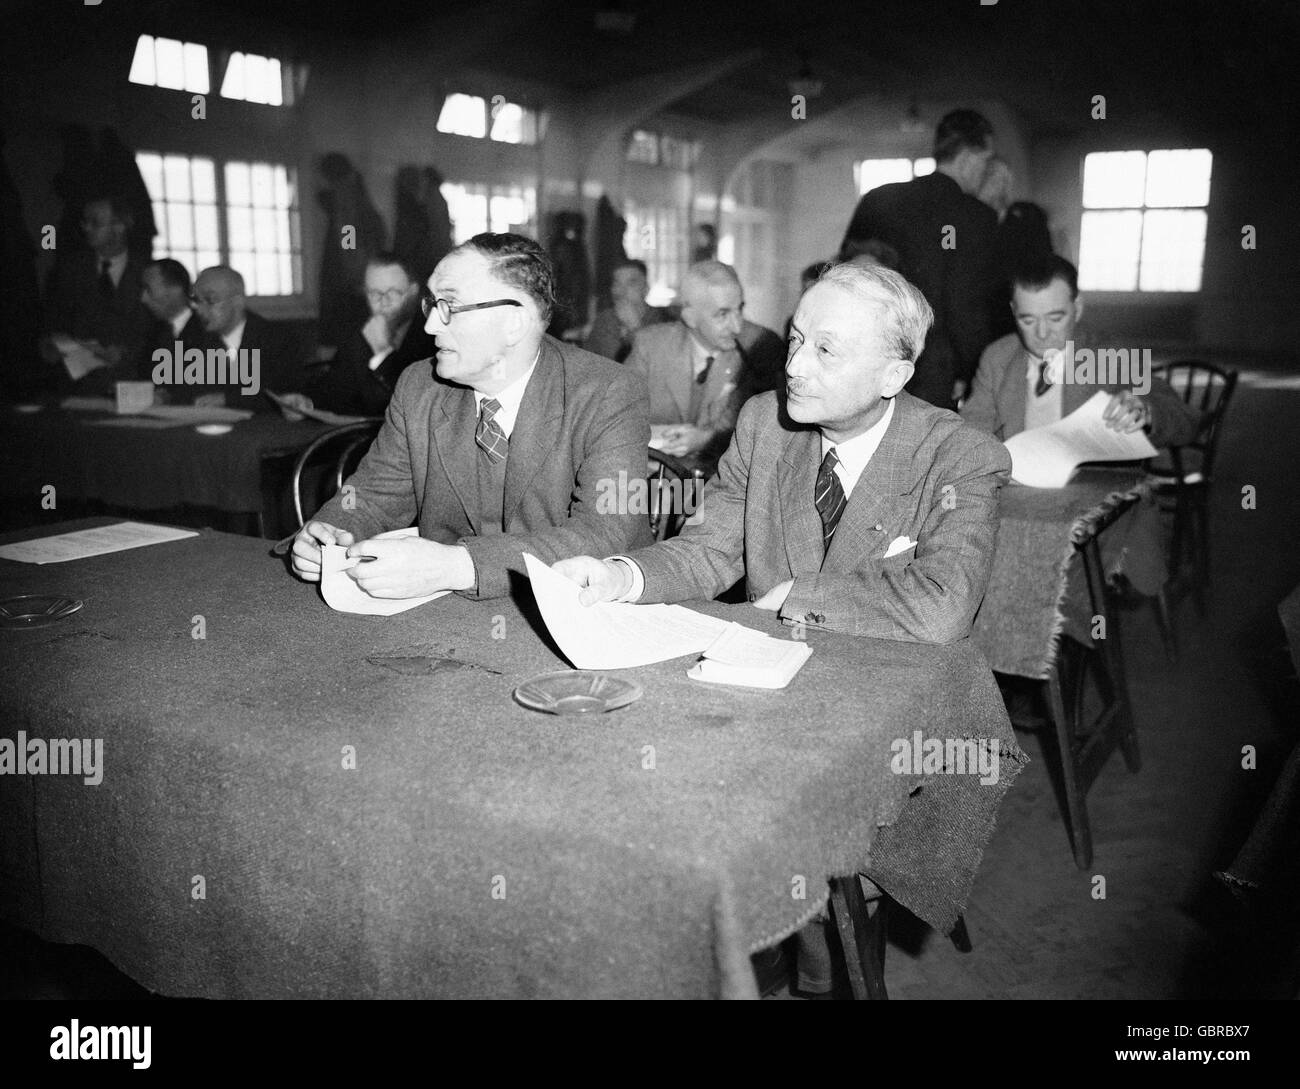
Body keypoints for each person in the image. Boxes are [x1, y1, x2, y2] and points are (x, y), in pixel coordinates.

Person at [554, 260, 1011, 644]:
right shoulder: (764, 423)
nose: (794, 366)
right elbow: (709, 550)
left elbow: (944, 605)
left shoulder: (961, 455)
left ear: (894, 376)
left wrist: (801, 595)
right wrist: (622, 576)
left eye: (826, 350)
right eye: (796, 339)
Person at [289, 232, 653, 601]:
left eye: (449, 304)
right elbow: (371, 496)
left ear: (514, 322)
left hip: (583, 615)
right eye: (431, 303)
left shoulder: (609, 391)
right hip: (454, 615)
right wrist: (332, 530)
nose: (430, 325)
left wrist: (456, 566)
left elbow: (604, 533)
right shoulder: (420, 386)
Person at [841, 109, 1000, 410]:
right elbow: (966, 307)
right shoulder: (977, 217)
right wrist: (969, 371)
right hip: (932, 375)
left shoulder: (878, 200)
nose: (985, 171)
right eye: (985, 161)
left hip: (864, 362)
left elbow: (842, 279)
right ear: (967, 158)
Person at [961, 255, 1199, 448]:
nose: (1042, 333)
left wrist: (1145, 411)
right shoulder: (997, 357)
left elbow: (1185, 421)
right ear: (1013, 311)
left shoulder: (1111, 355)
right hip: (1017, 489)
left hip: (1093, 492)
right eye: (1028, 320)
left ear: (1077, 308)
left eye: (1056, 318)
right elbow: (972, 430)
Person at [624, 260, 783, 463]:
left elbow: (768, 432)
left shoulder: (760, 347)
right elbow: (615, 417)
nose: (736, 326)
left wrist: (707, 440)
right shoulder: (650, 346)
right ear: (690, 318)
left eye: (739, 310)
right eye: (722, 314)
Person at [278, 253, 436, 417]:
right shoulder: (361, 329)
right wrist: (306, 403)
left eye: (393, 293)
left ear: (413, 292)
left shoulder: (432, 336)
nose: (383, 303)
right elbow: (337, 385)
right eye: (374, 293)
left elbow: (410, 405)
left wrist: (382, 353)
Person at [41, 195, 152, 392]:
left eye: (95, 222)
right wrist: (53, 345)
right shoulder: (68, 271)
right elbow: (53, 322)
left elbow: (160, 331)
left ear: (120, 226)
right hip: (78, 386)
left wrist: (127, 352)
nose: (86, 228)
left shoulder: (149, 272)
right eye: (85, 222)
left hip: (136, 383)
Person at [191, 265, 303, 408]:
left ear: (238, 302)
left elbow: (285, 395)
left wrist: (228, 399)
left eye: (210, 300)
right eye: (197, 301)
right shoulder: (196, 341)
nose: (200, 310)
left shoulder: (277, 339)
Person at [138, 258, 213, 403]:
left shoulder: (208, 331)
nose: (143, 298)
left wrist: (169, 395)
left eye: (148, 289)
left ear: (175, 290)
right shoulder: (152, 332)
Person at [583, 259, 672, 363]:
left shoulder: (663, 321)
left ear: (646, 289)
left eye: (631, 283)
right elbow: (614, 366)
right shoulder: (605, 320)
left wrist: (635, 328)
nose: (621, 291)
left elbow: (660, 365)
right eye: (617, 283)